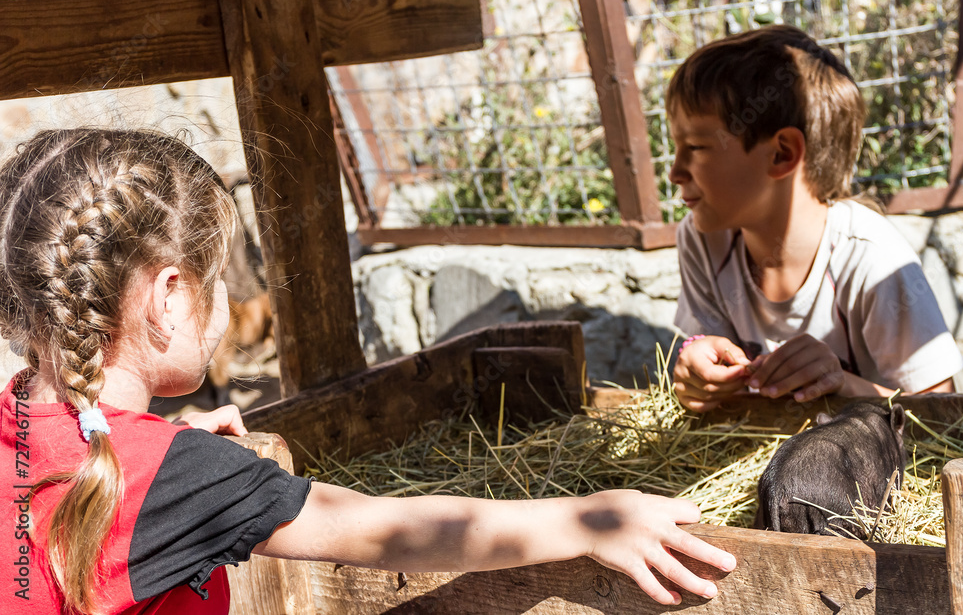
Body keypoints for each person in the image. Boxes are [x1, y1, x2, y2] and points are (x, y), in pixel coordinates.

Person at [0, 129, 736, 614]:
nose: (230, 298)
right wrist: (587, 518)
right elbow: (384, 527)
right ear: (168, 297)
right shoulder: (177, 477)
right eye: (219, 276)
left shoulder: (29, 421)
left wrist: (162, 442)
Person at [667, 25, 963, 413]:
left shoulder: (872, 259)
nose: (674, 171)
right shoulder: (703, 238)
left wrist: (843, 386)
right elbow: (710, 381)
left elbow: (945, 414)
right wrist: (696, 372)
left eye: (695, 147)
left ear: (782, 154)